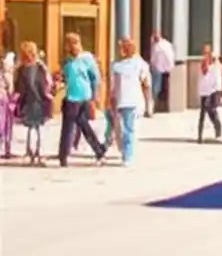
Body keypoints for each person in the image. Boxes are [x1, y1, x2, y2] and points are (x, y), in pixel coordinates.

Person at [58, 33, 106, 167]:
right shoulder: (72, 61)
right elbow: (94, 77)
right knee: (83, 125)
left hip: (76, 97)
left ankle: (63, 156)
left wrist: (95, 95)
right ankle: (98, 150)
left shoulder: (80, 60)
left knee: (68, 127)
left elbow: (94, 77)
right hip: (82, 95)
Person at [110, 38, 150, 166]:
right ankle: (125, 151)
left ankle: (128, 155)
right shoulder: (118, 66)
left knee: (128, 128)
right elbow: (114, 85)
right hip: (122, 100)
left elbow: (145, 82)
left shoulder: (138, 64)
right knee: (121, 129)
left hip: (131, 100)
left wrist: (148, 101)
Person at [12, 41, 52, 166]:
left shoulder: (35, 68)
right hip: (33, 101)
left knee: (36, 128)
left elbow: (45, 83)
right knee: (34, 128)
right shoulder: (31, 68)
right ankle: (33, 152)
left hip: (36, 101)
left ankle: (36, 152)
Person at [195, 46, 222, 142]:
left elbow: (218, 78)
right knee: (202, 113)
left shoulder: (216, 65)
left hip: (213, 91)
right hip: (204, 91)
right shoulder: (203, 64)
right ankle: (200, 135)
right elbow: (201, 77)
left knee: (212, 111)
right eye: (204, 53)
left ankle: (217, 126)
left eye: (207, 53)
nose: (205, 55)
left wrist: (219, 92)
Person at [148, 31, 175, 116]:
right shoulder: (167, 44)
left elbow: (153, 59)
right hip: (167, 69)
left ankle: (153, 107)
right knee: (164, 88)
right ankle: (162, 106)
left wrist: (151, 66)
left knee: (155, 88)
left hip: (158, 69)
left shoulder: (156, 46)